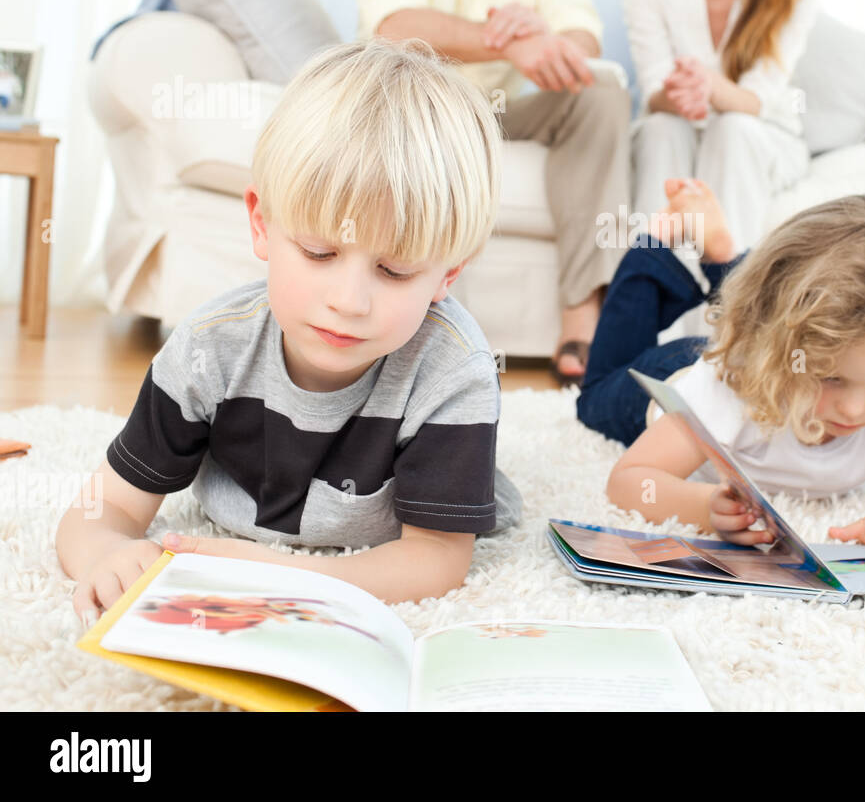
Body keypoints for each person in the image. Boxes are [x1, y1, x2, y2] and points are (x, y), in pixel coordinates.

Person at [57, 39, 522, 623]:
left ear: (447, 274)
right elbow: (101, 510)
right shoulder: (208, 349)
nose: (348, 301)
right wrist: (108, 553)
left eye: (395, 270)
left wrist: (283, 576)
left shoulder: (454, 370)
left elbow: (436, 559)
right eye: (318, 252)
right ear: (261, 224)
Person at [356, 0, 630, 385]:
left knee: (602, 91)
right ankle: (421, 328)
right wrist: (512, 39)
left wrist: (551, 41)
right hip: (417, 100)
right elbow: (395, 26)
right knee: (416, 88)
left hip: (499, 108)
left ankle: (582, 313)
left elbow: (583, 38)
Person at [577, 180, 865, 556]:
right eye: (830, 377)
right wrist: (704, 507)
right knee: (595, 394)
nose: (856, 408)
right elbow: (629, 481)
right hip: (674, 372)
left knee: (769, 299)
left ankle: (723, 258)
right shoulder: (727, 390)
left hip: (756, 344)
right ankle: (654, 246)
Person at [624, 0, 817, 254]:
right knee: (661, 129)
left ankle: (727, 302)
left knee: (732, 129)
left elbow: (758, 98)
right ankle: (648, 303)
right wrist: (679, 93)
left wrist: (707, 86)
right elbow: (655, 87)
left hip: (758, 134)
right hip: (677, 126)